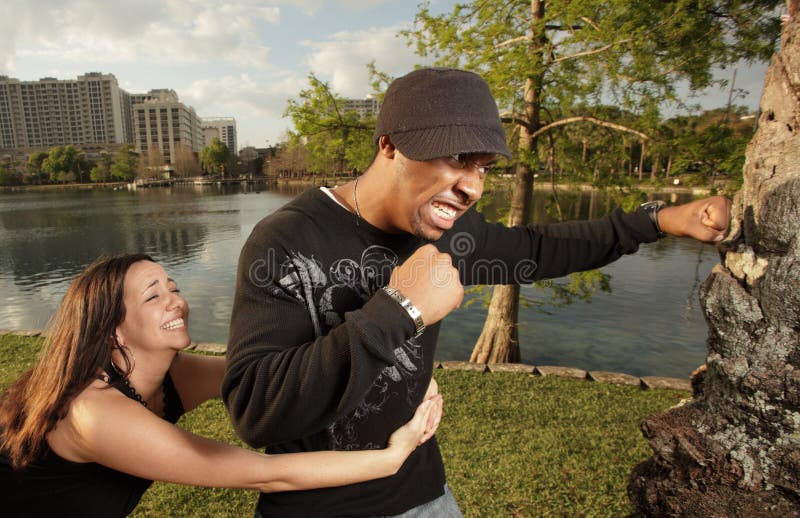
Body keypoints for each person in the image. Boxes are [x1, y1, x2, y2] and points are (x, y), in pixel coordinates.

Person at [222, 67, 732, 517]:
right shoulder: (285, 240)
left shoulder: (450, 235)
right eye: (457, 158)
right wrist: (403, 308)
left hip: (426, 497)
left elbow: (539, 248)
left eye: (484, 166)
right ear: (390, 145)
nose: (474, 187)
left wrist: (658, 221)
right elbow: (256, 410)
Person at [0, 254, 443, 518]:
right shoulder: (96, 413)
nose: (176, 301)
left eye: (172, 287)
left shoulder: (172, 374)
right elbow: (268, 474)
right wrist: (391, 458)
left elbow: (285, 374)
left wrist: (403, 369)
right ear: (112, 329)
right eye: (153, 296)